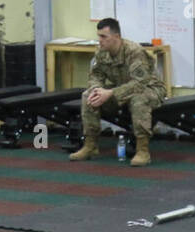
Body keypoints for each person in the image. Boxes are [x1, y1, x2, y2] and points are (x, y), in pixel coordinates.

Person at [69, 18, 165, 167]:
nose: (100, 40)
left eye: (104, 37)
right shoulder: (102, 52)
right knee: (88, 95)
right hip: (121, 89)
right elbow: (96, 75)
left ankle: (142, 150)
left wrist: (111, 93)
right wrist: (97, 90)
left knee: (138, 100)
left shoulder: (134, 51)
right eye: (99, 36)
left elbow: (140, 83)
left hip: (150, 88)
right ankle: (90, 145)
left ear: (117, 37)